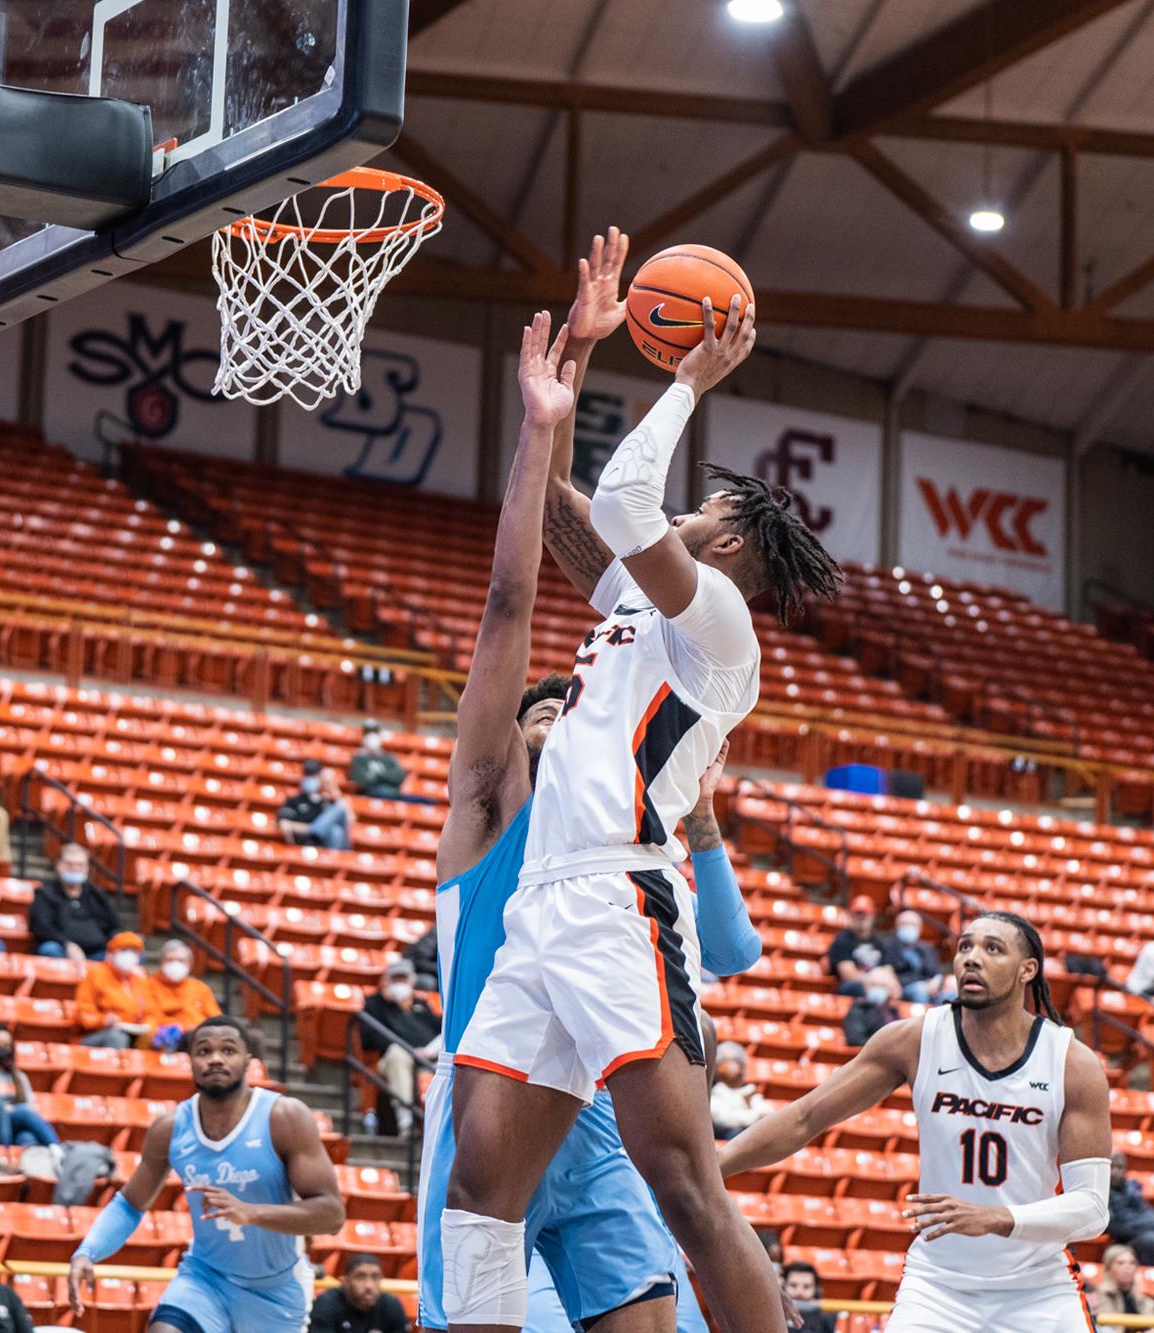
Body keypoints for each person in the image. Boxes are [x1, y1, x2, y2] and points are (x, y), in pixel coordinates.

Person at [448, 257, 843, 1333]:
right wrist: (561, 381)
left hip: (622, 905)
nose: (682, 511)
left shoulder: (716, 623)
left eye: (701, 507)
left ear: (722, 543)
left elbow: (625, 503)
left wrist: (689, 380)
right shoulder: (637, 599)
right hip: (541, 904)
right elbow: (574, 509)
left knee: (683, 1183)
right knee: (478, 1194)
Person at [719, 912, 1112, 1333]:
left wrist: (997, 1217)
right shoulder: (914, 1040)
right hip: (938, 1288)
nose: (971, 959)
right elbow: (803, 1118)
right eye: (965, 947)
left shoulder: (1072, 1063)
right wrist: (702, 1171)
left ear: (1027, 970)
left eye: (992, 948)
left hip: (1037, 1289)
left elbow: (1091, 1209)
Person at [67, 1017, 345, 1333]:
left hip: (274, 1289)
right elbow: (130, 1204)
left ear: (248, 1061)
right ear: (191, 1062)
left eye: (228, 1050)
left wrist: (252, 1213)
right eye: (204, 1050)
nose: (215, 1058)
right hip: (205, 1277)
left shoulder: (284, 1117)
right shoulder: (171, 1128)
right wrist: (87, 1251)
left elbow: (331, 1214)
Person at [360, 958, 440, 1137]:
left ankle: (435, 1128)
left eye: (403, 979)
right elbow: (369, 1038)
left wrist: (428, 1052)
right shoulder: (375, 1004)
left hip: (428, 1059)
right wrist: (411, 1052)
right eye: (395, 979)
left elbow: (440, 1028)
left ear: (411, 981)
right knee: (398, 1055)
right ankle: (406, 1121)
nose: (399, 983)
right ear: (386, 981)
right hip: (390, 1061)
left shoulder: (421, 1004)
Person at [0, 1024, 59, 1148]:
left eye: (6, 1045)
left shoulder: (19, 1077)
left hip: (15, 1120)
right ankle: (57, 1148)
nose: (2, 1048)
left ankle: (45, 1156)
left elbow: (30, 1105)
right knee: (1, 1107)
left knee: (26, 1137)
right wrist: (1, 1108)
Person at [27, 844, 119, 963]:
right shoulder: (44, 893)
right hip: (62, 950)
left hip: (98, 953)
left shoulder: (97, 894)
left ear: (87, 868)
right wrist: (67, 944)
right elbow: (41, 927)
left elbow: (114, 925)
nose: (75, 869)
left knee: (127, 952)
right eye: (69, 864)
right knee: (49, 949)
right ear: (58, 866)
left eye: (80, 865)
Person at [74, 931, 163, 1049]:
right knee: (117, 1037)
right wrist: (104, 1020)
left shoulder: (139, 979)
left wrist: (149, 1025)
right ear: (111, 953)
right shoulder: (96, 975)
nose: (129, 955)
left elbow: (152, 1012)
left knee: (162, 1038)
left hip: (132, 1032)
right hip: (97, 1034)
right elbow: (83, 1014)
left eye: (134, 952)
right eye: (125, 950)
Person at [307, 1254, 410, 1333]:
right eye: (360, 1277)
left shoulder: (391, 1305)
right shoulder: (326, 1304)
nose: (369, 1285)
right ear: (345, 1281)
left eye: (375, 1277)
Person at [1107, 1150, 1154, 1265]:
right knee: (1151, 1241)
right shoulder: (1103, 1193)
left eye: (1120, 1167)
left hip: (1149, 1229)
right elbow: (1113, 1227)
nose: (1115, 1172)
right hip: (1127, 1239)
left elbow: (1145, 1211)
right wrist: (1147, 1229)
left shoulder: (1132, 1187)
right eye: (1111, 1167)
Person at [149, 939, 222, 1042]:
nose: (175, 964)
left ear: (189, 964)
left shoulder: (200, 988)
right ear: (162, 962)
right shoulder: (149, 984)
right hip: (170, 1036)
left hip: (201, 1035)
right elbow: (151, 1016)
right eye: (170, 960)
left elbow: (215, 1018)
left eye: (180, 960)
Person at [826, 895, 901, 995]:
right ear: (850, 916)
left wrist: (891, 986)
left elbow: (889, 971)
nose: (862, 918)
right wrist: (874, 978)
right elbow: (848, 974)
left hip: (878, 985)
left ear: (873, 916)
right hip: (851, 989)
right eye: (858, 914)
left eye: (865, 914)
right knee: (859, 987)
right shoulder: (842, 940)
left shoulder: (881, 942)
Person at [277, 759, 353, 851]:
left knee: (336, 828)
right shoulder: (294, 801)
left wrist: (334, 790)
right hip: (305, 845)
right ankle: (316, 830)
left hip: (325, 845)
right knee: (335, 830)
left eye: (314, 775)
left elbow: (349, 818)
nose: (311, 778)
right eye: (308, 775)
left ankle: (317, 830)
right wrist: (308, 830)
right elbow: (284, 825)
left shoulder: (327, 801)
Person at [349, 722, 430, 804]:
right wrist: (387, 776)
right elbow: (362, 781)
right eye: (368, 733)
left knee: (427, 802)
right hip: (373, 795)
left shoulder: (388, 757)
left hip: (394, 795)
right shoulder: (358, 758)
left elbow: (399, 776)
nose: (372, 737)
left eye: (375, 733)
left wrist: (377, 775)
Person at [708, 1041, 769, 1140]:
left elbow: (765, 1112)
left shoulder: (750, 1090)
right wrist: (754, 1116)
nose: (733, 1065)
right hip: (727, 1139)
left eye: (736, 1059)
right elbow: (725, 1119)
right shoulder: (715, 1092)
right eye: (727, 1060)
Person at [1089, 1243, 1154, 1317]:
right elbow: (1112, 1325)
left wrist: (1140, 1299)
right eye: (1120, 1263)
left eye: (1132, 1263)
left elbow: (1153, 1320)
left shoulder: (1140, 1295)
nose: (1127, 1267)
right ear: (1108, 1268)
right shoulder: (1101, 1295)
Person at [891, 909, 941, 1003]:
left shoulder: (926, 948)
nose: (908, 927)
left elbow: (935, 973)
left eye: (912, 925)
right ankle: (921, 1018)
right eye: (905, 924)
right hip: (901, 988)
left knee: (951, 995)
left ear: (920, 928)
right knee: (919, 990)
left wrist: (933, 984)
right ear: (897, 926)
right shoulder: (889, 946)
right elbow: (886, 970)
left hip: (926, 988)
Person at [843, 974, 901, 1048]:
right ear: (865, 987)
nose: (877, 988)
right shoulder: (858, 1009)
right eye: (873, 984)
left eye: (883, 985)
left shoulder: (893, 1011)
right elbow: (855, 1040)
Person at [780, 1261, 835, 1333]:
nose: (799, 1292)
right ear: (784, 1287)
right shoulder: (773, 1315)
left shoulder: (827, 1319)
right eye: (793, 1285)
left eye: (806, 1287)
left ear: (816, 1290)